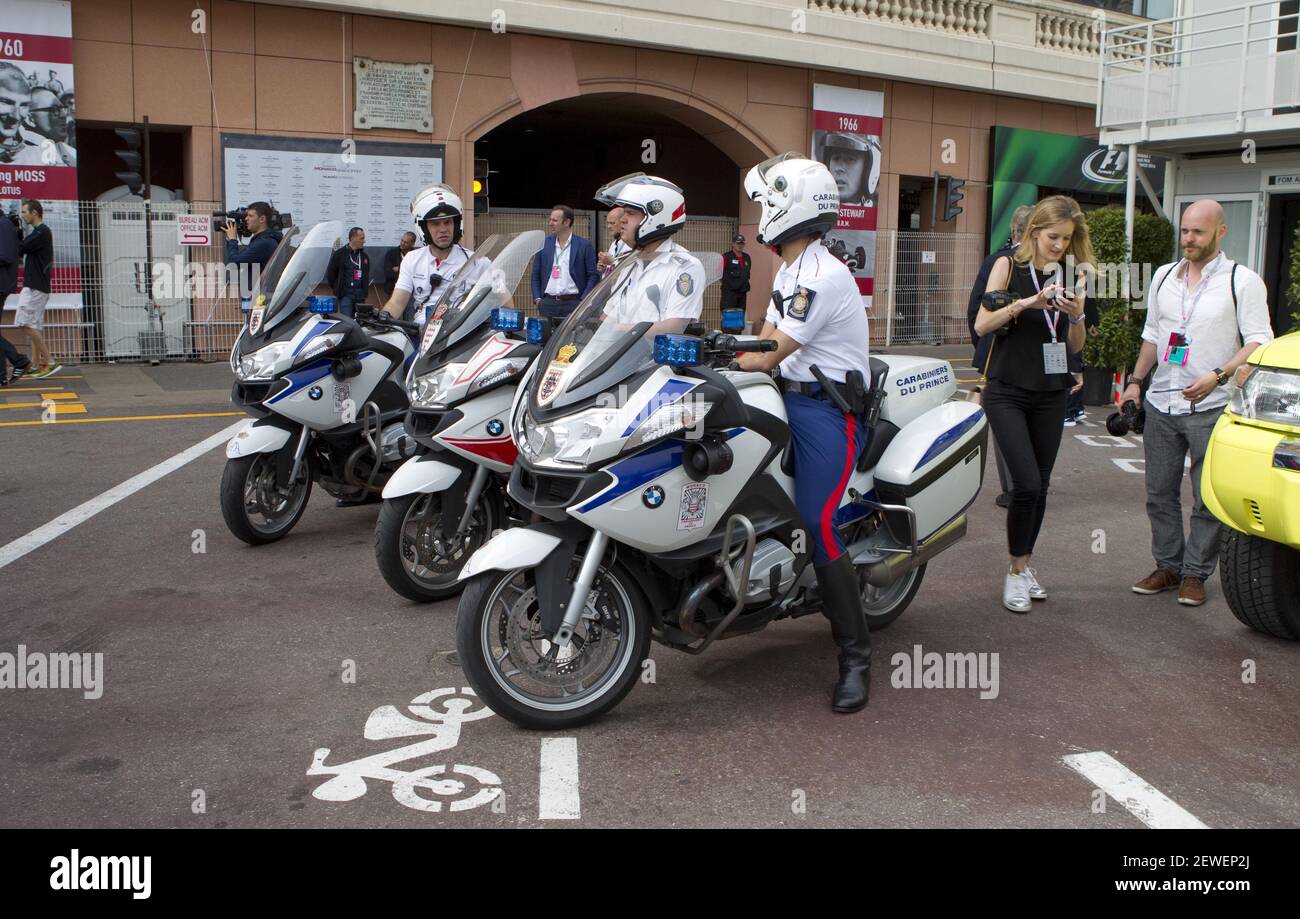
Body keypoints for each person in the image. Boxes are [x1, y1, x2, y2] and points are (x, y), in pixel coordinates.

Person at [735, 153, 873, 714]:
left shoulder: (821, 275)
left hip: (827, 413)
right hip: (785, 398)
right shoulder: (791, 269)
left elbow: (771, 350)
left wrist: (715, 353)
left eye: (765, 202)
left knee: (819, 521)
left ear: (788, 208)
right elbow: (764, 341)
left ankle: (856, 656)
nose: (759, 211)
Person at [1126, 199, 1274, 607]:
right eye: (1185, 231)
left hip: (1214, 405)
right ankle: (1168, 566)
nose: (1188, 240)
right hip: (1162, 403)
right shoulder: (1162, 277)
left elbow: (1261, 339)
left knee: (1207, 497)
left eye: (1198, 232)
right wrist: (1136, 382)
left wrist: (1219, 375)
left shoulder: (1241, 281)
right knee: (1159, 493)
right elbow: (1154, 335)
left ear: (1220, 233)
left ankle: (1195, 574)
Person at [973, 195, 1094, 613]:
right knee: (1024, 483)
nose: (1059, 246)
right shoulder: (1007, 265)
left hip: (1052, 391)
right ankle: (1013, 573)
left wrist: (1077, 315)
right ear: (1034, 231)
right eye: (1052, 237)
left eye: (1066, 238)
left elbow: (1074, 344)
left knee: (1040, 486)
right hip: (1006, 388)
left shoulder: (1072, 274)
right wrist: (1025, 303)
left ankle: (1022, 566)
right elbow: (982, 323)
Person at [969, 204, 1032, 508]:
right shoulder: (1059, 265)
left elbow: (975, 310)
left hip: (998, 356)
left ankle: (1014, 487)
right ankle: (1031, 482)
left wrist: (981, 348)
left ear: (1013, 230)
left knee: (1005, 422)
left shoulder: (998, 261)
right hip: (1039, 361)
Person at [597, 175, 704, 330]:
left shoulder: (684, 267)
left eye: (631, 213)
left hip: (652, 354)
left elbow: (674, 326)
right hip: (618, 354)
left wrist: (615, 330)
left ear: (658, 217)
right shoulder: (629, 264)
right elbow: (609, 314)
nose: (622, 220)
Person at [381, 184, 473, 324]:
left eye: (447, 222)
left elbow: (501, 297)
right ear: (424, 228)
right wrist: (381, 319)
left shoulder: (475, 261)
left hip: (459, 335)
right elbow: (397, 303)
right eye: (435, 224)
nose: (443, 229)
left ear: (456, 224)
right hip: (421, 334)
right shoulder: (412, 259)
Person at [13, 199, 59, 378]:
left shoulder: (41, 232)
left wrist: (13, 234)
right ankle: (35, 363)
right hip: (38, 286)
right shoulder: (39, 232)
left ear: (35, 213)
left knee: (23, 323)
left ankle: (51, 360)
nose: (23, 215)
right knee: (34, 326)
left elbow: (21, 248)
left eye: (25, 212)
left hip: (34, 287)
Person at [531, 205, 598, 320]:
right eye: (550, 219)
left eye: (555, 220)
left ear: (567, 222)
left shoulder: (584, 245)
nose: (550, 223)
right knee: (547, 337)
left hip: (574, 303)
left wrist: (584, 300)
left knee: (574, 337)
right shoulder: (544, 243)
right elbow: (535, 274)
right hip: (547, 303)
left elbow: (593, 275)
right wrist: (538, 299)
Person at [223, 202, 282, 313]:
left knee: (253, 328)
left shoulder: (264, 243)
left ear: (262, 219)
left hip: (259, 299)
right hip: (255, 296)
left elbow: (234, 264)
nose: (246, 219)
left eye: (250, 216)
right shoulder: (262, 240)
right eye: (246, 216)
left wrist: (232, 240)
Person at [0, 213, 30, 384]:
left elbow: (5, 256)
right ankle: (1, 377)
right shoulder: (4, 224)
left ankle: (19, 360)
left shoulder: (3, 225)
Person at [817, 132, 880, 206]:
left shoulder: (873, 214)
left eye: (850, 159)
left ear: (868, 168)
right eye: (836, 158)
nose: (839, 168)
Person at [324, 226, 370, 318]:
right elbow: (331, 275)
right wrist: (338, 289)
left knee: (360, 322)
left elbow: (366, 275)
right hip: (346, 296)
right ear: (353, 238)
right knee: (347, 321)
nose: (364, 241)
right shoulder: (339, 254)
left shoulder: (364, 256)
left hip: (360, 296)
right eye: (361, 238)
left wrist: (364, 291)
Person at [720, 234, 751, 312]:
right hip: (729, 294)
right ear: (733, 244)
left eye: (742, 243)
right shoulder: (726, 257)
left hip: (742, 293)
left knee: (740, 316)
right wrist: (729, 284)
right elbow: (719, 273)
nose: (740, 245)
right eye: (738, 243)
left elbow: (747, 273)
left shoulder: (747, 257)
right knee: (729, 316)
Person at [384, 231, 417, 300]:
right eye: (402, 240)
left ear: (413, 244)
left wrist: (399, 268)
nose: (402, 243)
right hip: (393, 289)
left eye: (406, 242)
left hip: (411, 291)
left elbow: (417, 273)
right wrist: (407, 272)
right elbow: (388, 273)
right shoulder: (391, 253)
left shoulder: (416, 255)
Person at [597, 207, 629, 277]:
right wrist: (604, 267)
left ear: (623, 222)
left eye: (612, 223)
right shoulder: (614, 244)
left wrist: (612, 262)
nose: (608, 226)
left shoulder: (629, 245)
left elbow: (626, 272)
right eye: (608, 223)